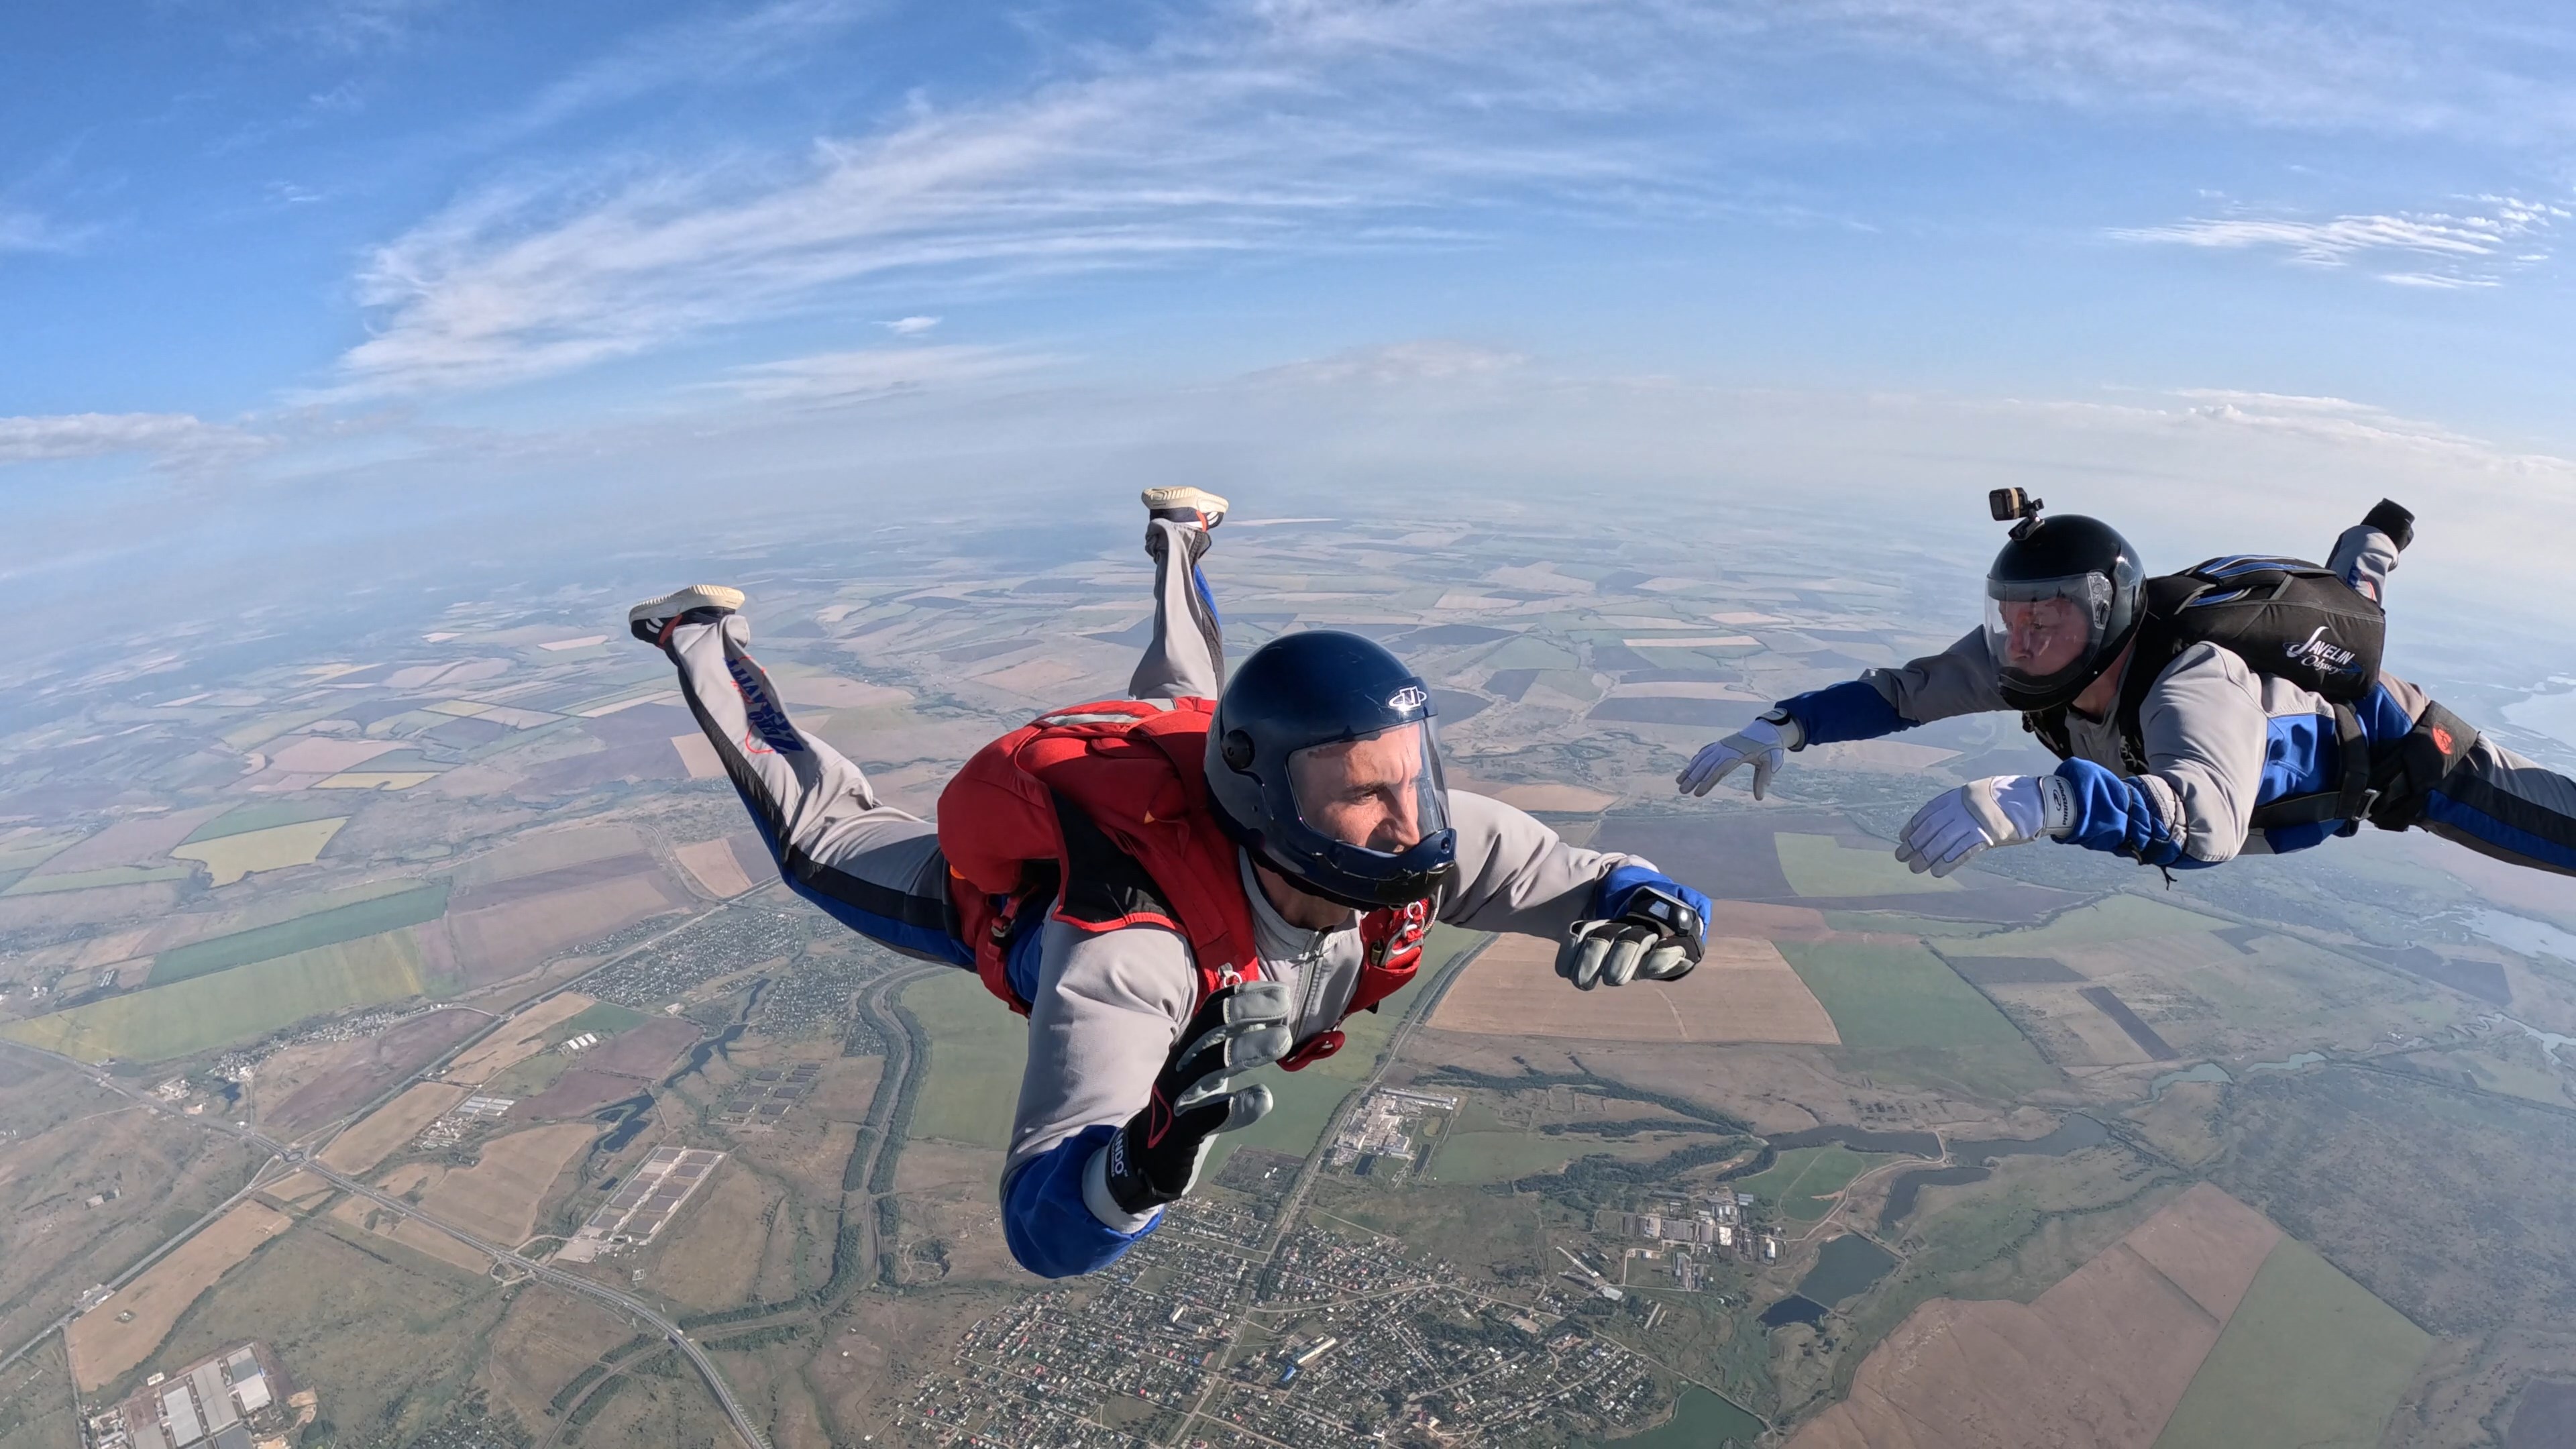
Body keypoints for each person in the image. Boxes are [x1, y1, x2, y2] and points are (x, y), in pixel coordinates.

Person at [630, 488, 1713, 1279]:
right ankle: (701, 639)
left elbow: (1605, 880)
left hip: (1207, 767)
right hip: (1031, 900)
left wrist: (1664, 911)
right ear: (1275, 806)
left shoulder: (1424, 835)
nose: (1407, 821)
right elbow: (1043, 1231)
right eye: (1361, 792)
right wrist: (1138, 1168)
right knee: (821, 840)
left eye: (1413, 778)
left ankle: (1180, 537)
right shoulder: (1127, 954)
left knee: (1190, 699)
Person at [1676, 497, 2576, 880]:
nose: (2021, 639)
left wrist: (2051, 800)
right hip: (2282, 722)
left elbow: (2208, 828)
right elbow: (1908, 691)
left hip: (2396, 748)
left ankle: (2370, 553)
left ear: (2104, 612)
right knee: (2359, 583)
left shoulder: (2193, 682)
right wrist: (1787, 725)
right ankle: (2375, 539)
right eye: (2011, 615)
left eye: (2047, 615)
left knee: (2553, 825)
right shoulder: (2038, 656)